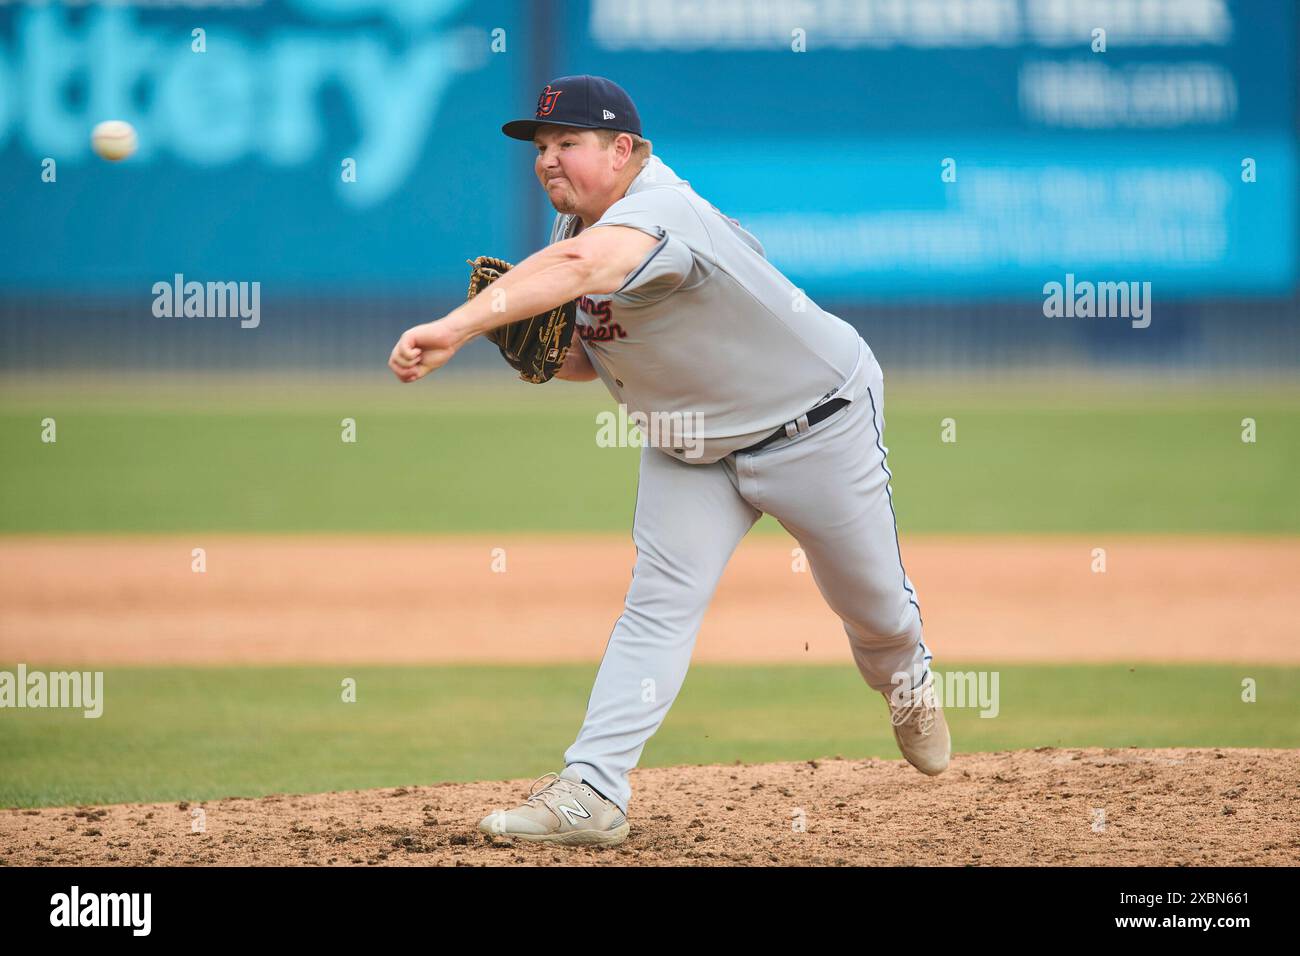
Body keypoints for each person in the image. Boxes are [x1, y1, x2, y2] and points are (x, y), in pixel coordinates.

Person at [387, 75, 950, 848]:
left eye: (567, 144)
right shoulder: (572, 232)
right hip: (689, 444)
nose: (549, 161)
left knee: (876, 611)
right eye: (541, 148)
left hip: (817, 427)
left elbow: (588, 267)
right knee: (656, 607)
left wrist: (455, 325)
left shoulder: (658, 211)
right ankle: (593, 789)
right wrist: (535, 352)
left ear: (623, 150)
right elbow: (590, 351)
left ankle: (906, 679)